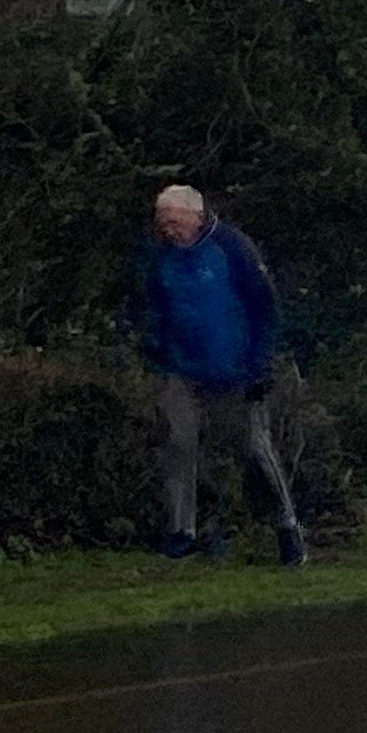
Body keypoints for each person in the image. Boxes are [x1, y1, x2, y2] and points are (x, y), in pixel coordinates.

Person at [128, 184, 303, 563]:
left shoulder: (232, 247)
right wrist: (153, 344)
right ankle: (181, 531)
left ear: (195, 216)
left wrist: (260, 365)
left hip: (236, 370)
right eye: (162, 221)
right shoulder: (159, 255)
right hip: (180, 367)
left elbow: (264, 307)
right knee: (177, 442)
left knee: (253, 449)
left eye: (174, 221)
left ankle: (287, 525)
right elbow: (150, 302)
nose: (167, 228)